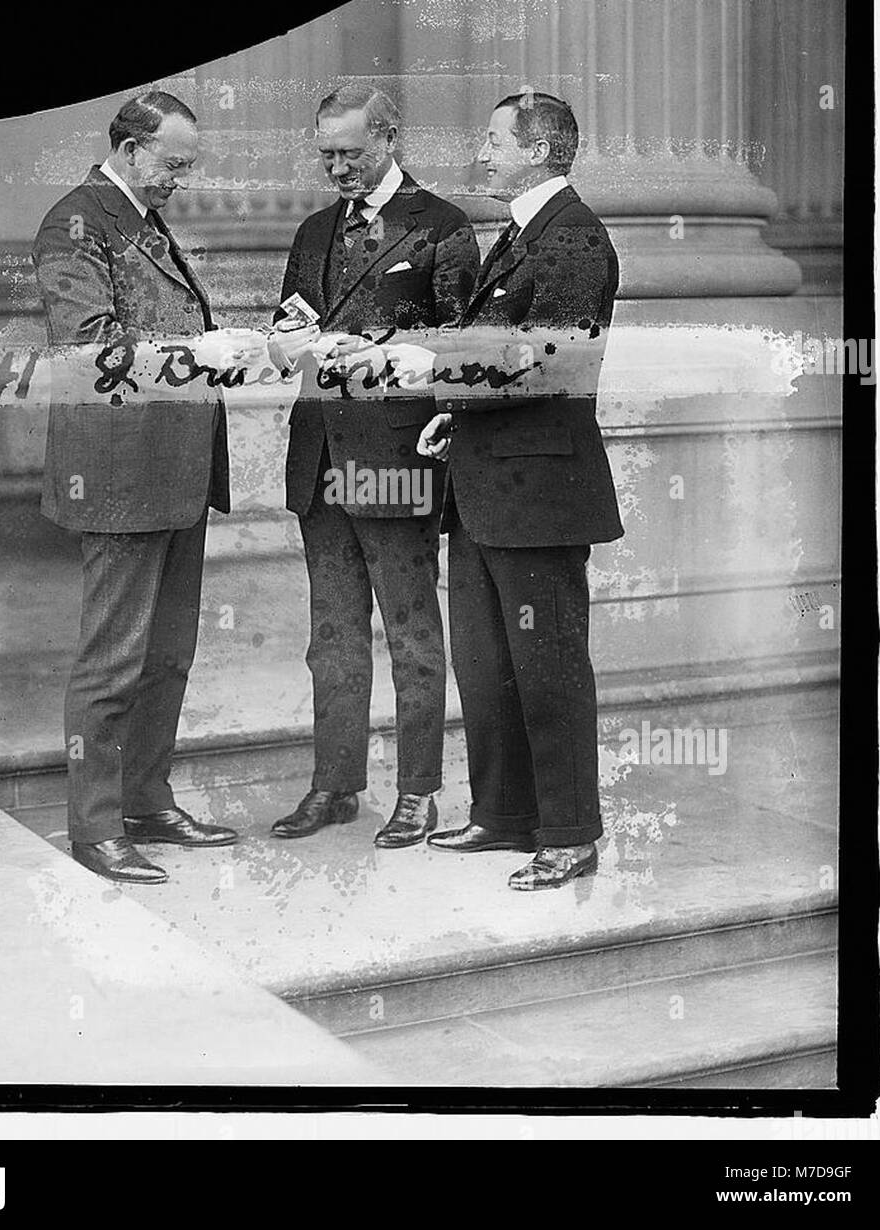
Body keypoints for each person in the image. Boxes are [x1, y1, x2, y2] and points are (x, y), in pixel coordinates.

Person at [418, 92, 623, 890]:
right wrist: (452, 416)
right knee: (486, 660)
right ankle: (504, 816)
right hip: (488, 479)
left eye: (496, 139)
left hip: (538, 489)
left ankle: (569, 832)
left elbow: (549, 363)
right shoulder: (523, 235)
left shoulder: (571, 238)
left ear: (538, 151)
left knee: (547, 666)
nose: (484, 152)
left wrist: (436, 375)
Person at [34, 90, 239, 885]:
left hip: (174, 468)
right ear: (127, 148)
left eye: (187, 167)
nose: (179, 181)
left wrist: (223, 350)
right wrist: (204, 352)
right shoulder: (77, 220)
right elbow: (91, 350)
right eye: (171, 165)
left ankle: (147, 800)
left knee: (166, 655)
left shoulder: (139, 218)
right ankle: (94, 826)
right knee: (113, 658)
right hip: (121, 473)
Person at [270, 85, 479, 847]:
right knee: (331, 635)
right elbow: (286, 323)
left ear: (390, 138)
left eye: (350, 153)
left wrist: (386, 357)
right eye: (325, 155)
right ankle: (334, 785)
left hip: (394, 456)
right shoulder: (313, 228)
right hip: (320, 452)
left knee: (410, 632)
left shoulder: (441, 228)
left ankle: (418, 792)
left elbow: (461, 352)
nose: (336, 169)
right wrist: (283, 341)